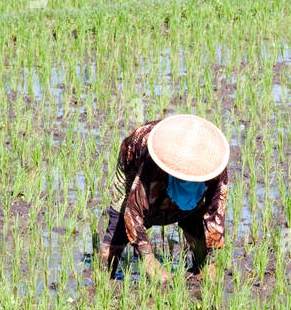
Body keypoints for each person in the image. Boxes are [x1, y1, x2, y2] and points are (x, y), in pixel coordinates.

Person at [98, 114, 230, 283]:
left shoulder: (214, 166)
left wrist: (211, 259)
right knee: (119, 226)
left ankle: (200, 269)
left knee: (195, 221)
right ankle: (102, 281)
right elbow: (133, 211)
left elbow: (215, 213)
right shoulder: (155, 161)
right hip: (135, 162)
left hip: (183, 177)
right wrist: (148, 259)